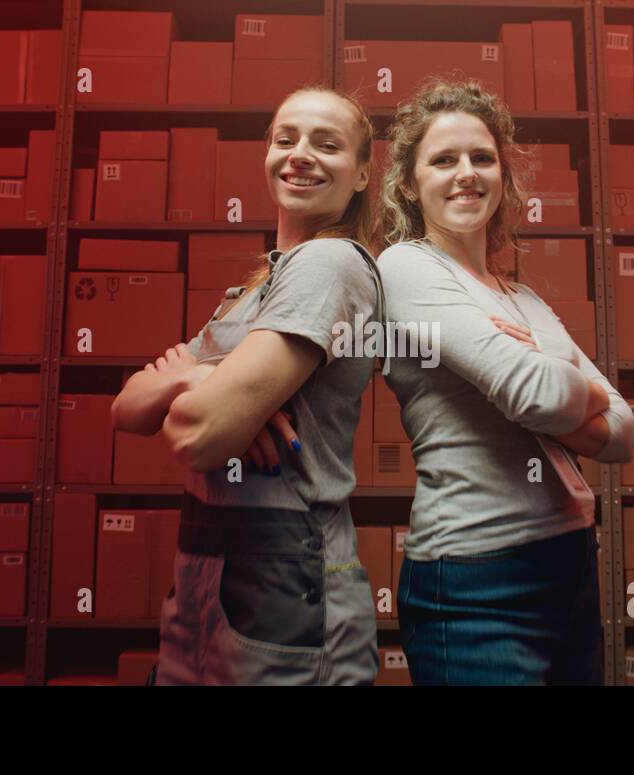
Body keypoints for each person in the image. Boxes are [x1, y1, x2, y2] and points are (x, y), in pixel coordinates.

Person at [110, 86, 382, 685]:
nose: (301, 154)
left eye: (327, 145)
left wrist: (197, 389)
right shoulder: (256, 290)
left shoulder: (329, 265)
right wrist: (205, 376)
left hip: (285, 572)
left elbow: (199, 434)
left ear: (363, 173)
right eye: (286, 140)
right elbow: (127, 408)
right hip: (208, 573)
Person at [375, 79, 634, 685]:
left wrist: (552, 381)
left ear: (502, 176)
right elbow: (537, 394)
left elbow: (624, 435)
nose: (466, 173)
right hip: (474, 579)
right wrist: (571, 383)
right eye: (443, 160)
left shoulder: (523, 299)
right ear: (410, 185)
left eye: (482, 158)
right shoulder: (407, 267)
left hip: (571, 563)